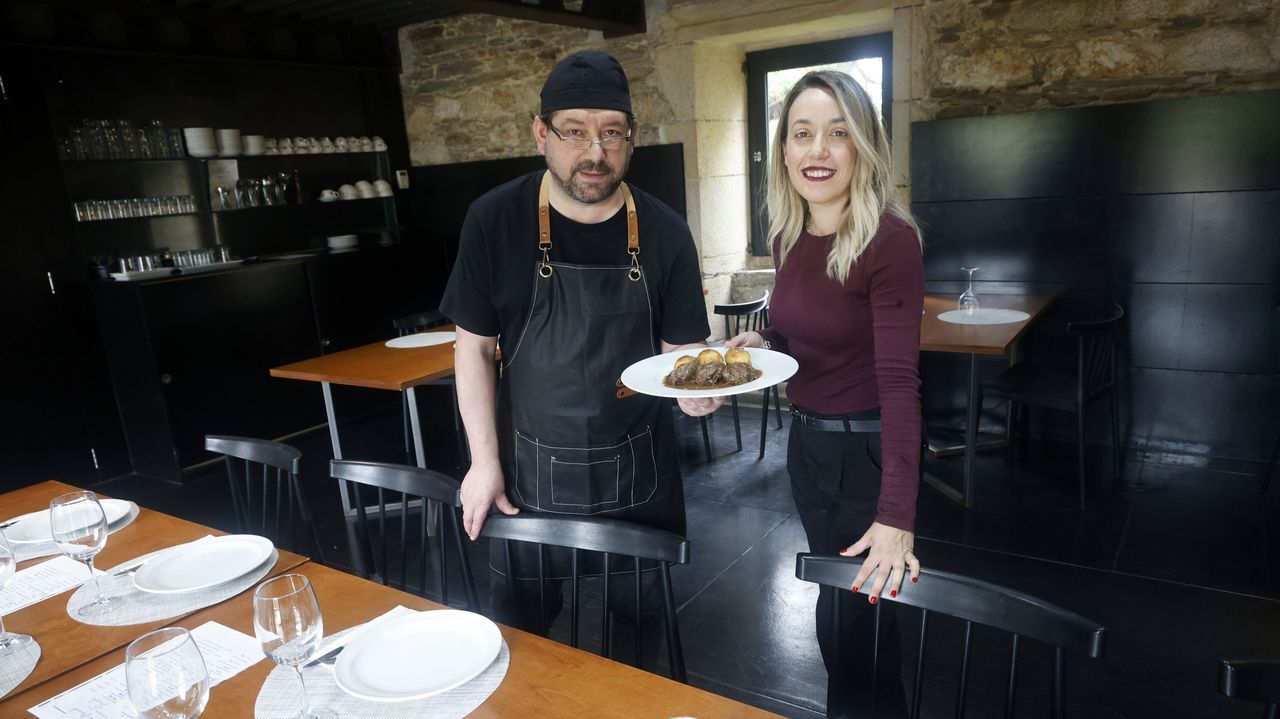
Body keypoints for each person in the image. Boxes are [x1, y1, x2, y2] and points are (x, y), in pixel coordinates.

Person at [439, 50, 722, 637]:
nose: (595, 152)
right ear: (541, 134)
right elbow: (474, 349)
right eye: (574, 131)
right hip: (526, 472)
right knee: (524, 634)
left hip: (638, 471)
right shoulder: (493, 220)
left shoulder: (667, 231)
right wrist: (482, 463)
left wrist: (697, 391)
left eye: (611, 133)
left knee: (639, 630)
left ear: (631, 137)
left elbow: (683, 355)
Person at [726, 70, 924, 718]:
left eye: (838, 133)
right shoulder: (788, 233)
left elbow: (900, 384)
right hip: (808, 450)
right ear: (783, 149)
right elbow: (803, 329)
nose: (817, 150)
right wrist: (763, 339)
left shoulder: (889, 239)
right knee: (838, 619)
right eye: (802, 133)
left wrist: (896, 517)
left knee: (860, 628)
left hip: (863, 457)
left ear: (863, 145)